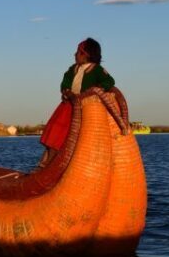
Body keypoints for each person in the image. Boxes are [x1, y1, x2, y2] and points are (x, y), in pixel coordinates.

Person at [38, 38, 115, 167]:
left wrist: (97, 89)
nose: (75, 55)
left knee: (64, 135)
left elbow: (110, 81)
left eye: (78, 52)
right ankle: (45, 162)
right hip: (67, 107)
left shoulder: (96, 70)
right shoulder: (72, 69)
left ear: (86, 55)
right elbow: (65, 81)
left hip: (82, 108)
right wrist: (66, 91)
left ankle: (52, 163)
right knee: (54, 131)